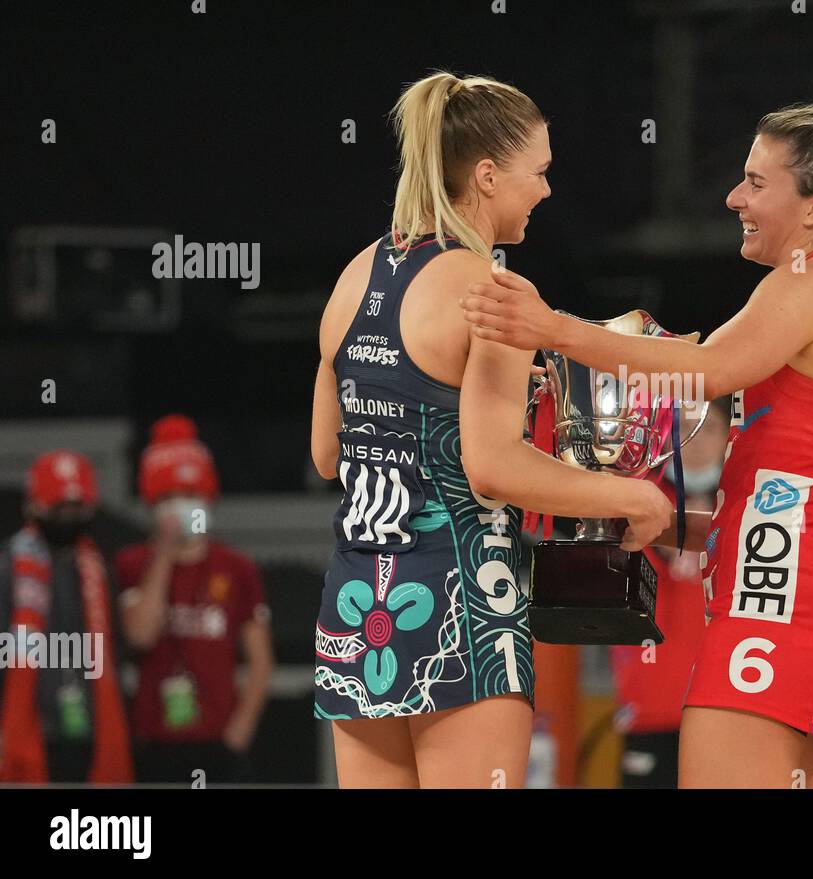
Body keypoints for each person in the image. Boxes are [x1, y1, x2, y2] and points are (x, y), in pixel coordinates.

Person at [462, 80, 813, 788]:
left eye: (756, 182)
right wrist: (673, 524)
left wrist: (552, 329)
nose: (735, 198)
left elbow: (701, 371)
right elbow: (788, 497)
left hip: (771, 614)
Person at [309, 71, 672, 789]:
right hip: (459, 598)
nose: (544, 190)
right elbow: (493, 469)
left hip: (356, 604)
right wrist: (632, 500)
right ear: (486, 175)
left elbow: (329, 456)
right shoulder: (496, 290)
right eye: (537, 172)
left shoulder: (354, 275)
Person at [116, 415, 274, 784]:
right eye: (168, 498)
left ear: (208, 499)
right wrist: (165, 555)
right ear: (150, 503)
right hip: (152, 742)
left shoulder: (237, 568)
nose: (180, 507)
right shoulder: (132, 563)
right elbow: (141, 634)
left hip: (218, 743)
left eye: (190, 497)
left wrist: (237, 736)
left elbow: (261, 662)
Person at [610, 401, 726, 788]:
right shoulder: (630, 499)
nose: (694, 440)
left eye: (708, 428)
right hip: (650, 712)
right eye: (685, 428)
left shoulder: (749, 508)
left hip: (723, 711)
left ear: (730, 438)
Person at [0, 452, 133, 784]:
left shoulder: (97, 569)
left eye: (78, 508)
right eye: (60, 508)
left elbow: (114, 654)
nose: (69, 517)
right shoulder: (9, 568)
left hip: (87, 726)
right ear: (35, 507)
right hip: (29, 725)